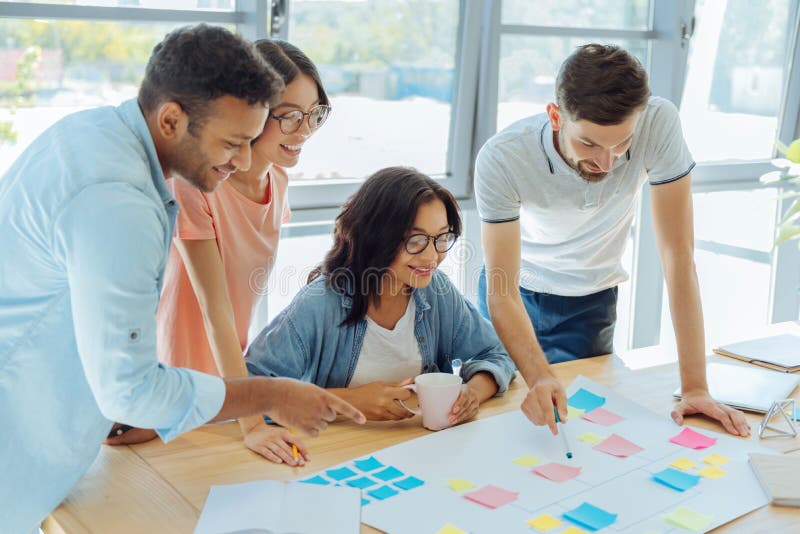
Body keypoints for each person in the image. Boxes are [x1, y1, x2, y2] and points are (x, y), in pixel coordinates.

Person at [0, 25, 363, 533]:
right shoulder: (118, 200)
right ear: (171, 119)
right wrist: (269, 394)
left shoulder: (93, 133)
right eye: (233, 142)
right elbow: (129, 391)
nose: (241, 158)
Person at [474, 44, 750, 438]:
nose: (607, 163)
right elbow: (501, 290)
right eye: (589, 144)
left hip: (589, 301)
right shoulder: (502, 158)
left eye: (622, 145)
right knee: (498, 426)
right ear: (555, 116)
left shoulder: (657, 121)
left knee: (579, 433)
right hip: (513, 294)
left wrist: (695, 388)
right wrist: (537, 376)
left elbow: (678, 256)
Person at [110, 40, 332, 466]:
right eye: (288, 117)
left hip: (227, 383)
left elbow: (242, 297)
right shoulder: (197, 184)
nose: (303, 131)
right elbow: (217, 311)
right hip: (174, 384)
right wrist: (251, 421)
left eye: (314, 115)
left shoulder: (278, 183)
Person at [244, 167, 515, 433]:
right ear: (376, 237)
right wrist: (349, 402)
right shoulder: (320, 303)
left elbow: (495, 353)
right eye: (416, 240)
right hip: (335, 454)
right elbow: (248, 390)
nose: (432, 257)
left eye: (442, 238)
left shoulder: (437, 291)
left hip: (418, 446)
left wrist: (472, 393)